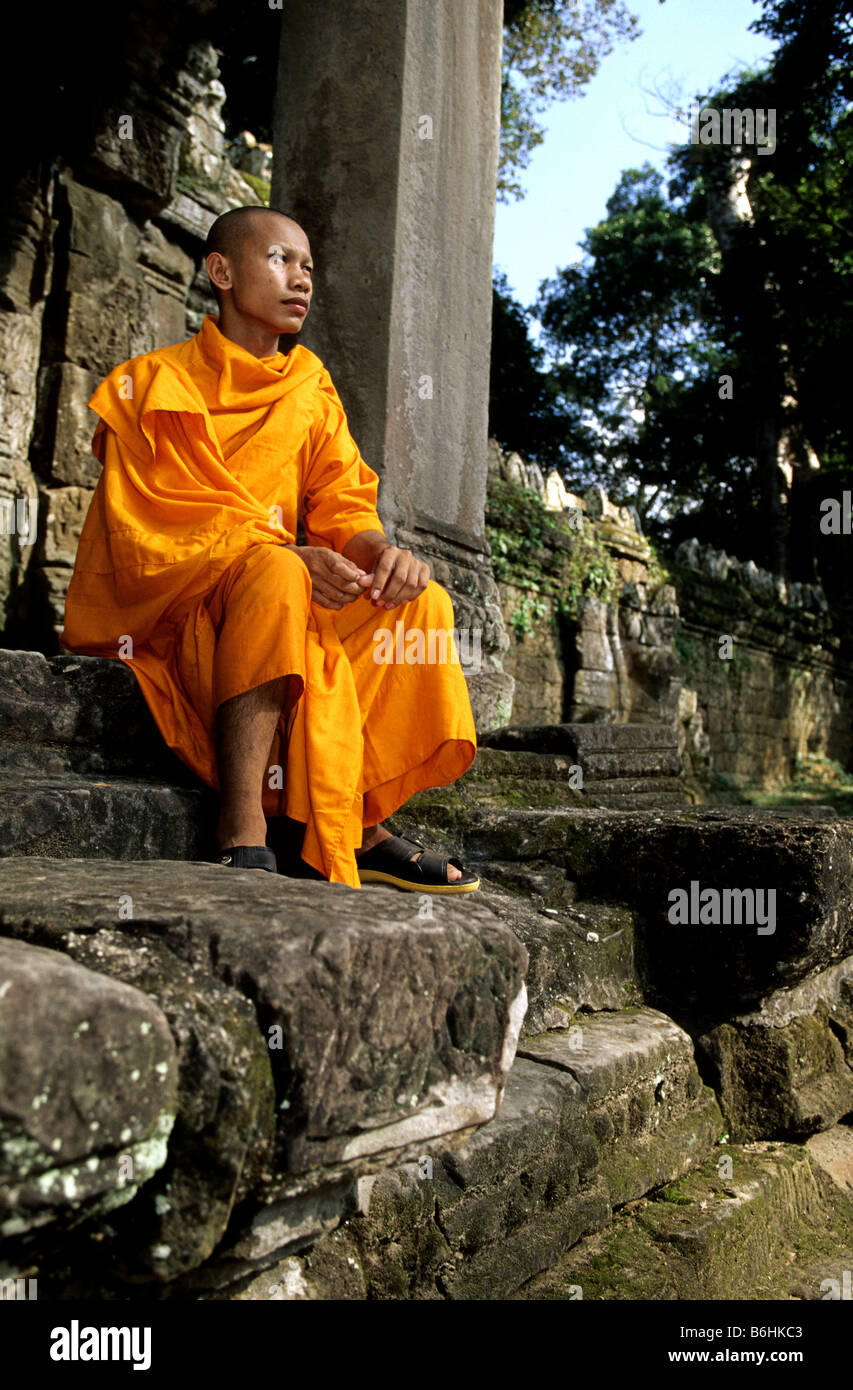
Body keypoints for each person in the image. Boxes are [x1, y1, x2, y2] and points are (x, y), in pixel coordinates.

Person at [59, 205, 480, 893]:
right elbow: (145, 534)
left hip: (268, 601)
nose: (302, 279)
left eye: (309, 267)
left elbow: (343, 504)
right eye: (281, 259)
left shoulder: (308, 387)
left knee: (419, 604)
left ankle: (357, 823)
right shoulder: (151, 387)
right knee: (277, 570)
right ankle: (243, 824)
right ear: (220, 271)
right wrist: (283, 557)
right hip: (179, 618)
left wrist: (381, 554)